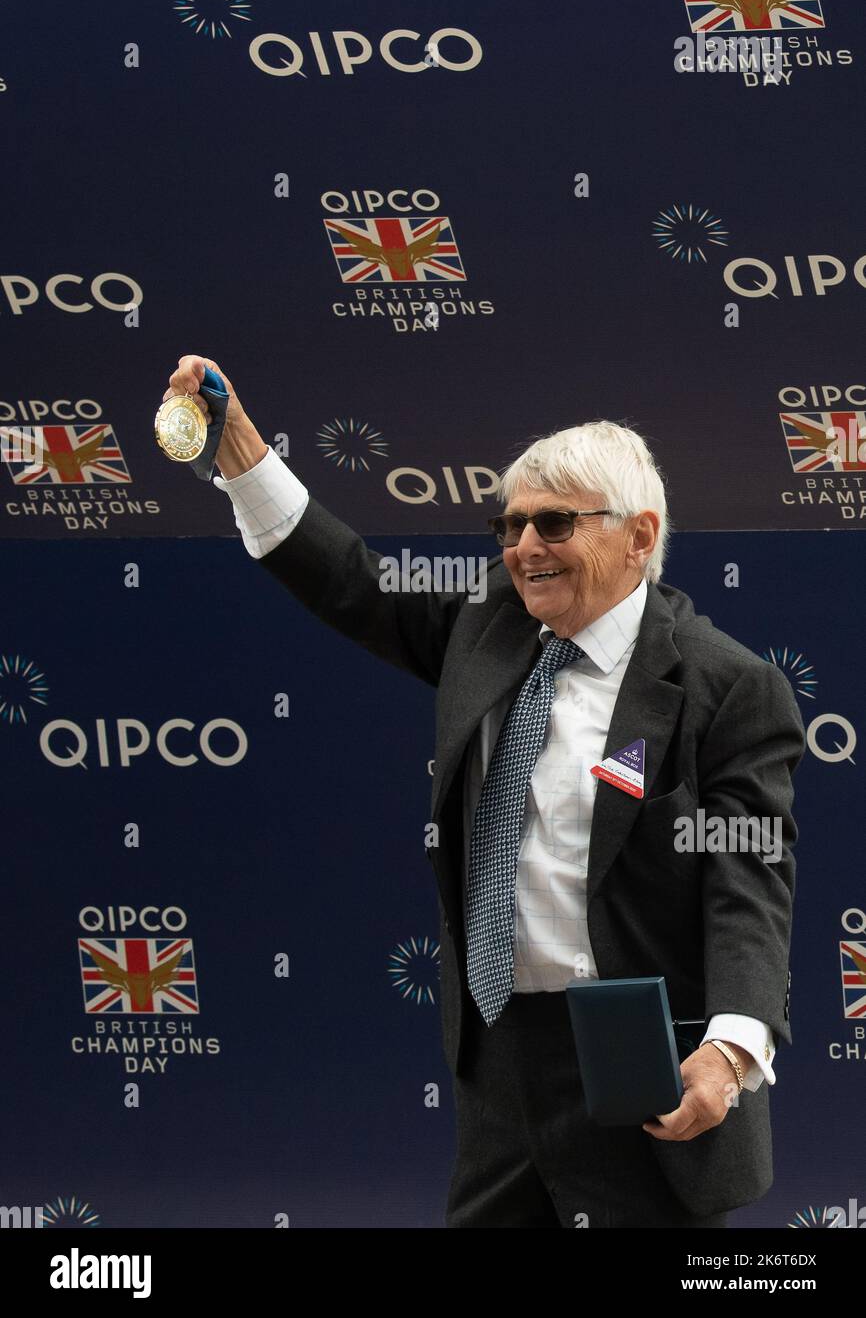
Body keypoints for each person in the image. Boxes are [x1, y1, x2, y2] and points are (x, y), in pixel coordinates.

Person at [161, 355, 806, 1229]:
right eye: (508, 527)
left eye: (552, 523)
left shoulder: (728, 686)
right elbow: (353, 581)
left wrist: (728, 1053)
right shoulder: (488, 624)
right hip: (498, 1065)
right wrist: (238, 451)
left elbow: (748, 888)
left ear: (639, 536)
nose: (522, 548)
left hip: (648, 1063)